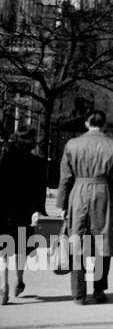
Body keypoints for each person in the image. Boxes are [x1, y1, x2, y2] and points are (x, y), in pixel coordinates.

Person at [56, 111, 113, 305]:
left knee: (77, 242)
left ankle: (78, 293)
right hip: (103, 193)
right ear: (105, 124)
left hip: (78, 193)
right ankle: (98, 290)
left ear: (86, 122)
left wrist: (62, 204)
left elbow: (65, 177)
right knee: (102, 242)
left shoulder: (72, 144)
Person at [0, 126, 46, 303]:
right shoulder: (37, 162)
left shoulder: (5, 159)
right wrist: (37, 211)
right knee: (21, 249)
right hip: (25, 211)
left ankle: (3, 286)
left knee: (3, 249)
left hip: (4, 210)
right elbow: (39, 190)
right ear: (31, 142)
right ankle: (18, 281)